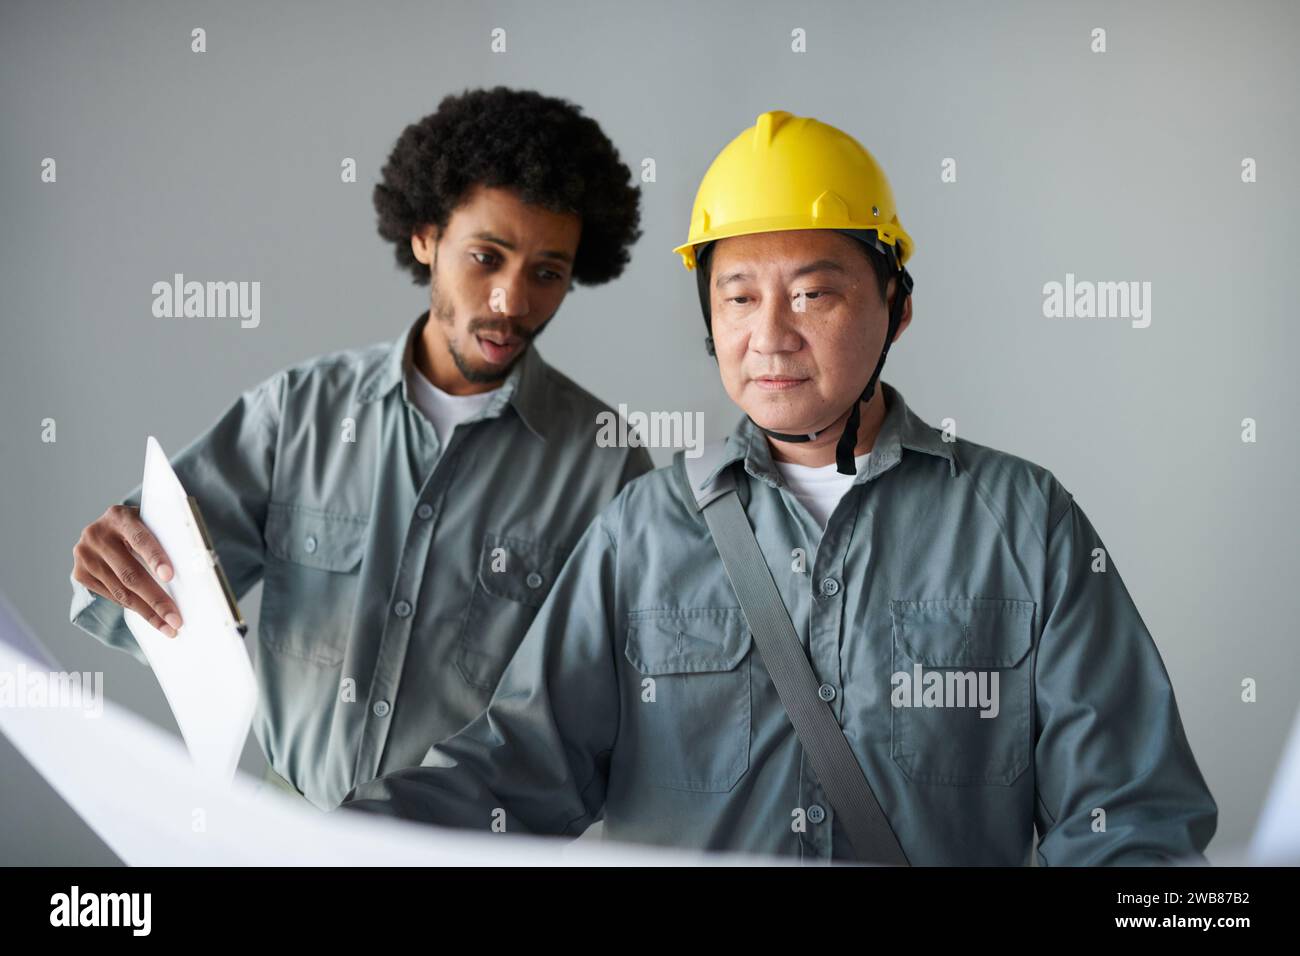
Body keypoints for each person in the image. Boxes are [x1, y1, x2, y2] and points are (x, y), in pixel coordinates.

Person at [341, 109, 1217, 865]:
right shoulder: (641, 532)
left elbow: (1130, 817)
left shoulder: (1026, 526)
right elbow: (517, 769)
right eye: (737, 297)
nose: (770, 336)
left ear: (895, 308)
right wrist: (323, 842)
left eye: (813, 295)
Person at [68, 86, 652, 810]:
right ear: (425, 238)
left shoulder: (607, 466)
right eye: (486, 256)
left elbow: (593, 729)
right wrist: (118, 559)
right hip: (279, 841)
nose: (511, 301)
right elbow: (152, 581)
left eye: (546, 273)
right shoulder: (298, 413)